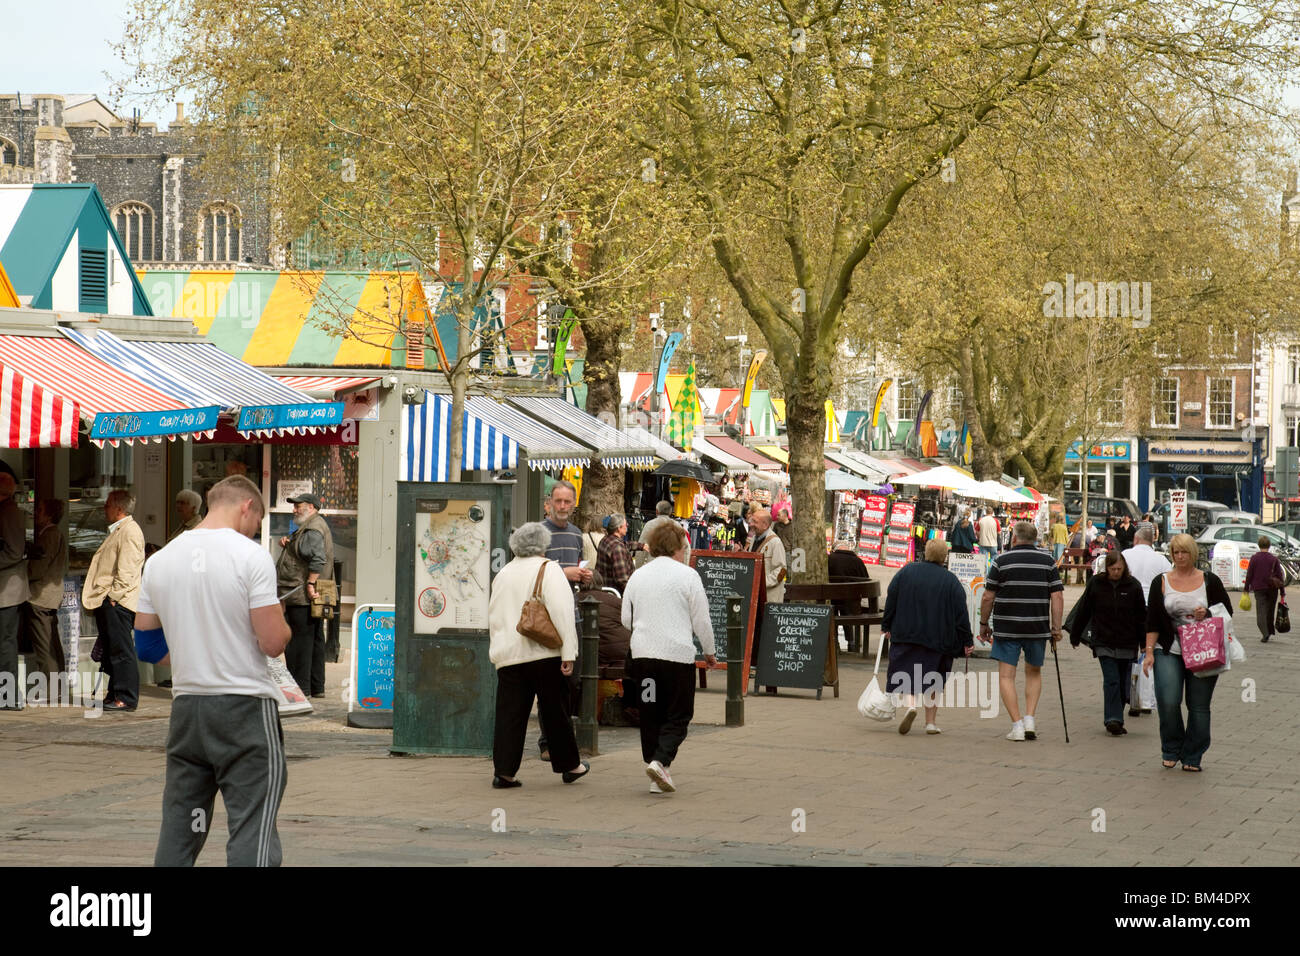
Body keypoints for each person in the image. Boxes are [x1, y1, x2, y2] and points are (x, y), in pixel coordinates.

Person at [142, 476, 292, 865]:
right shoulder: (250, 556)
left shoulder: (160, 560)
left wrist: (195, 650)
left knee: (183, 822)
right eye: (255, 521)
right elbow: (272, 642)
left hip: (188, 711)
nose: (254, 530)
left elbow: (146, 644)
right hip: (243, 711)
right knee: (251, 822)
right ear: (247, 506)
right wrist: (284, 624)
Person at [486, 522, 588, 788]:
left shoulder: (504, 573)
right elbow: (562, 613)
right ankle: (570, 765)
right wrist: (569, 651)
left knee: (510, 715)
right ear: (543, 545)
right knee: (556, 712)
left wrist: (497, 652)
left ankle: (504, 772)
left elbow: (494, 616)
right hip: (544, 653)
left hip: (509, 655)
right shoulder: (550, 569)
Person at [622, 519, 714, 793]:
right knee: (679, 713)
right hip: (676, 657)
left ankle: (658, 769)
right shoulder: (688, 576)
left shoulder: (638, 575)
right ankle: (661, 760)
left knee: (651, 712)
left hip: (643, 657)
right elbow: (701, 620)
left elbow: (626, 618)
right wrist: (709, 651)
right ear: (678, 547)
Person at [1143, 533, 1232, 772]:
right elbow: (1151, 620)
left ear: (1193, 554)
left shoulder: (1209, 581)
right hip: (1168, 649)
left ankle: (1193, 755)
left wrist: (1208, 613)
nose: (1179, 556)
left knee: (1199, 706)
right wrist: (1149, 652)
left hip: (1204, 650)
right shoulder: (1160, 581)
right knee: (1168, 701)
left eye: (1184, 552)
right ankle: (1171, 748)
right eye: (1175, 552)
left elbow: (1227, 611)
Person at [979, 522, 1064, 741]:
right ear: (1035, 539)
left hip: (1007, 628)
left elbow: (988, 596)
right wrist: (1056, 628)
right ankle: (1030, 719)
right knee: (1033, 673)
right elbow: (1057, 596)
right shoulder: (1048, 562)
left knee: (1007, 676)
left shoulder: (1001, 561)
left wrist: (983, 623)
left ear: (1014, 538)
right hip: (1037, 627)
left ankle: (1016, 725)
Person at [881, 538, 974, 735]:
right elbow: (961, 613)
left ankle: (910, 706)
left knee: (907, 673)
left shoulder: (906, 571)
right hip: (939, 638)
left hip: (906, 633)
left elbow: (892, 597)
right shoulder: (951, 580)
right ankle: (930, 722)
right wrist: (967, 640)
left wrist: (886, 624)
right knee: (935, 679)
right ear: (944, 557)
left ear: (925, 553)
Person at [1068, 550, 1147, 735]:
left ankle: (1116, 716)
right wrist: (1075, 635)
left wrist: (1144, 642)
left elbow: (1141, 617)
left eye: (1119, 569)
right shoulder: (1096, 583)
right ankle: (1113, 719)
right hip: (1103, 640)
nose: (1116, 572)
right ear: (1107, 568)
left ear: (1124, 568)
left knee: (1122, 682)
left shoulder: (1133, 586)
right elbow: (1084, 610)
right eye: (1113, 569)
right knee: (1111, 679)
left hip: (1127, 642)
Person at [82, 489, 145, 712]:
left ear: (119, 509)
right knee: (111, 650)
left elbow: (126, 570)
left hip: (118, 602)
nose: (104, 508)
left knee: (121, 650)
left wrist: (113, 598)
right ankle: (114, 693)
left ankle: (126, 697)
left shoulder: (129, 532)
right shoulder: (120, 530)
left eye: (108, 504)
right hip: (109, 600)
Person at [276, 492, 335, 699]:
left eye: (298, 506)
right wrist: (288, 542)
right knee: (314, 639)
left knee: (300, 642)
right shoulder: (310, 526)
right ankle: (315, 687)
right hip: (303, 593)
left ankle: (301, 689)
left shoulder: (313, 528)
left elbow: (317, 559)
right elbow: (304, 551)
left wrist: (310, 584)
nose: (294, 510)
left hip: (301, 594)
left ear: (310, 507)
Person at [1122, 522, 1170, 717]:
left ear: (1136, 539)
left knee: (1129, 654)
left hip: (1128, 608)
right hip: (1152, 610)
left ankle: (1131, 697)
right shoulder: (1161, 560)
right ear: (1152, 541)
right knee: (1148, 653)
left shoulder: (1125, 555)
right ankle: (1145, 699)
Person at [24, 498, 68, 702]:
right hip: (50, 596)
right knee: (51, 644)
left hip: (41, 596)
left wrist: (21, 573)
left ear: (49, 515)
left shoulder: (49, 536)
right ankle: (58, 688)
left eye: (40, 509)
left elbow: (38, 568)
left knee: (44, 646)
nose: (36, 513)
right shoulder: (53, 535)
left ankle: (50, 690)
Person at [0, 474, 29, 711]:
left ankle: (9, 696)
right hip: (7, 589)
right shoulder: (9, 510)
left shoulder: (8, 512)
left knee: (5, 643)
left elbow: (14, 551)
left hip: (6, 590)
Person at [1243, 537, 1285, 644]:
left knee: (1261, 611)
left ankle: (1264, 633)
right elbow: (1280, 576)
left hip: (1259, 588)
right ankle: (1269, 631)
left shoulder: (1254, 558)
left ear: (1259, 545)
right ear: (1269, 545)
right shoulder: (1274, 559)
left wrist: (1246, 588)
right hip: (1272, 588)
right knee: (1270, 611)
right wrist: (1282, 591)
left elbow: (1249, 574)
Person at [596, 513, 641, 595]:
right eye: (625, 525)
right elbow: (622, 580)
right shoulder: (617, 547)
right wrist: (635, 596)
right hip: (615, 595)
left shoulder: (605, 539)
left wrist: (642, 546)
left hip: (604, 591)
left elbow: (626, 544)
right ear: (618, 528)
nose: (627, 526)